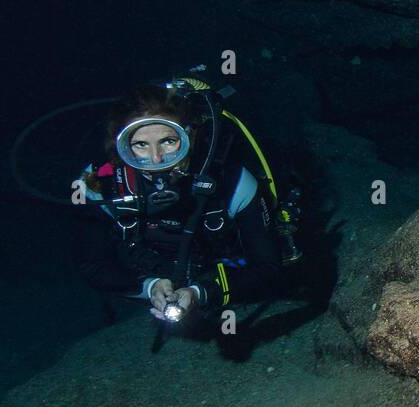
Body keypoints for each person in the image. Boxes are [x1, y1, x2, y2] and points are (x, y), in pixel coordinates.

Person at [74, 79, 295, 324]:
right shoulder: (100, 185)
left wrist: (201, 292)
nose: (157, 160)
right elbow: (93, 267)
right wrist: (150, 287)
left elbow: (268, 265)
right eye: (140, 145)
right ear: (123, 146)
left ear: (191, 135)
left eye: (169, 141)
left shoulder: (233, 182)